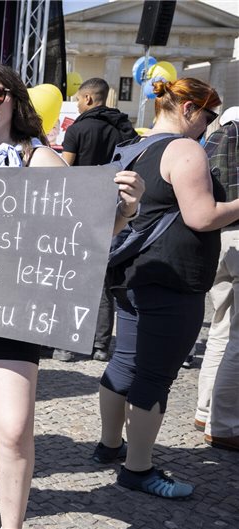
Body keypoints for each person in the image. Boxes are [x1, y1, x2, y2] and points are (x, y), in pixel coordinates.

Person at [0, 62, 142, 529]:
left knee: (13, 428)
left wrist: (126, 212)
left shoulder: (41, 159)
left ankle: (12, 523)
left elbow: (85, 234)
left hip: (17, 307)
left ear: (15, 99)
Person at [95, 78, 230, 499]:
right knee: (154, 375)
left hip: (132, 273)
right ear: (189, 108)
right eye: (208, 116)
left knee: (124, 363)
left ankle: (109, 445)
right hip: (172, 278)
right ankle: (138, 469)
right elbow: (201, 216)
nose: (209, 126)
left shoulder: (135, 148)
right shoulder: (185, 149)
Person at [49, 78, 139, 363]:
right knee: (101, 278)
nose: (77, 104)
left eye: (77, 99)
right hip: (113, 207)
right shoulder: (124, 128)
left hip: (78, 208)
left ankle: (65, 344)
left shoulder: (78, 129)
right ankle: (100, 345)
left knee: (67, 275)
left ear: (88, 98)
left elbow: (64, 169)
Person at [195, 106, 239, 452]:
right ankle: (223, 425)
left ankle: (204, 411)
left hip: (217, 236)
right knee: (236, 334)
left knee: (221, 327)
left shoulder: (216, 137)